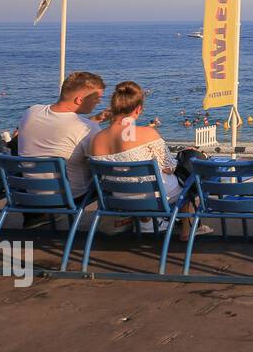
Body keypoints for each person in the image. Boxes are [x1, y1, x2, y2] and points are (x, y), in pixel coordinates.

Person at [87, 81, 209, 237]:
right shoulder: (148, 134)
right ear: (138, 110)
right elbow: (169, 167)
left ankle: (148, 223)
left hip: (116, 197)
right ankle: (189, 229)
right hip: (153, 196)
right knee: (189, 173)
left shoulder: (96, 139)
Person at [16, 71, 104, 210]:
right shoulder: (88, 128)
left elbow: (60, 126)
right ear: (79, 100)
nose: (99, 102)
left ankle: (37, 217)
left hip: (30, 192)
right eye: (97, 98)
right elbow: (102, 164)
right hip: (71, 196)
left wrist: (94, 120)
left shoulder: (32, 111)